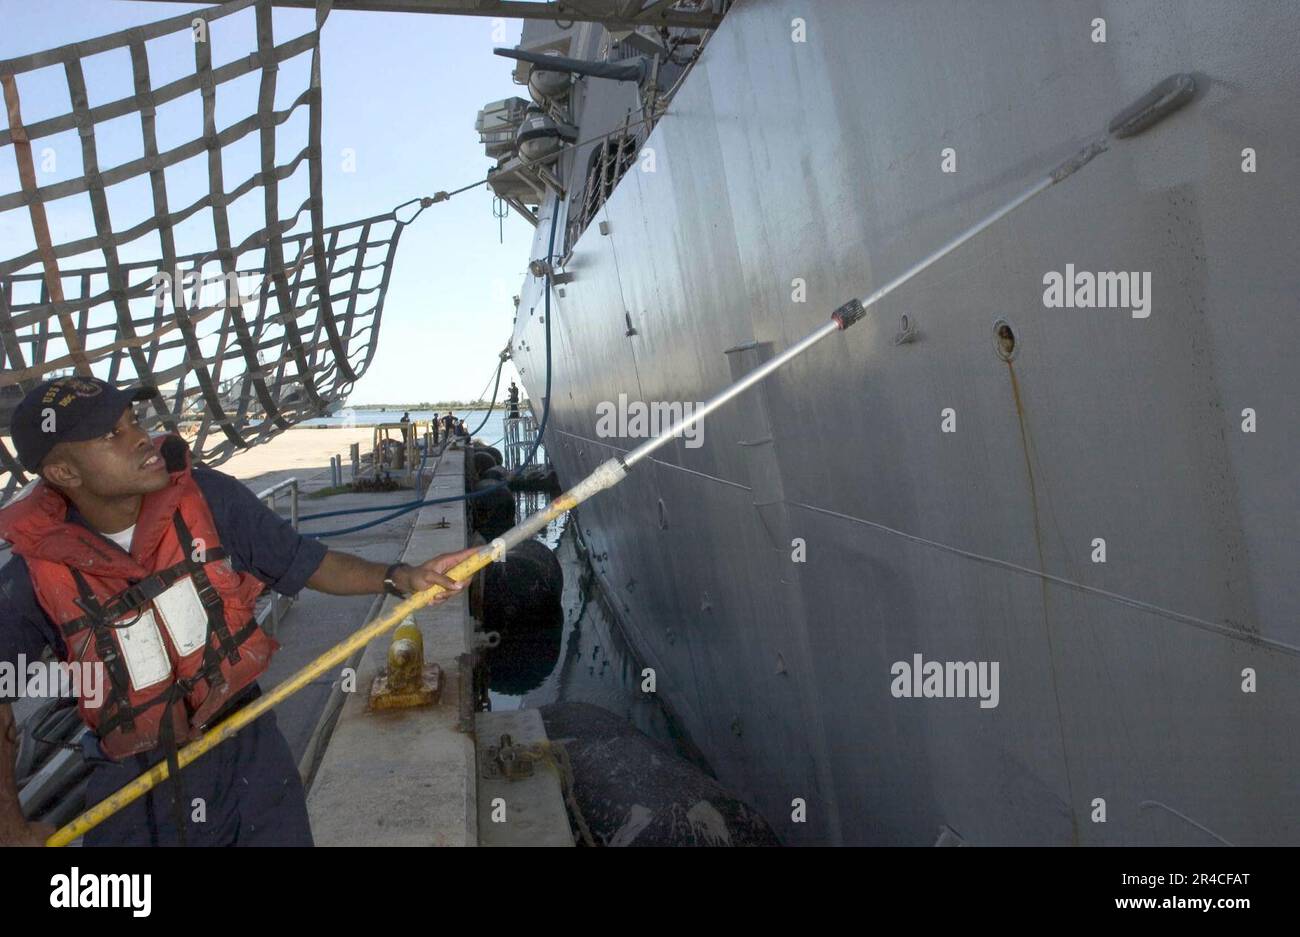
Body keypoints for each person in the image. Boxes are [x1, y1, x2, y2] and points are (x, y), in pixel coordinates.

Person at [0, 377, 475, 847]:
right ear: (65, 473)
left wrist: (401, 578)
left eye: (133, 420)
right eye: (112, 434)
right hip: (135, 787)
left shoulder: (210, 498)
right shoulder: (32, 575)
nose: (141, 437)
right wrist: (11, 826)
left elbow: (305, 561)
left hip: (247, 751)